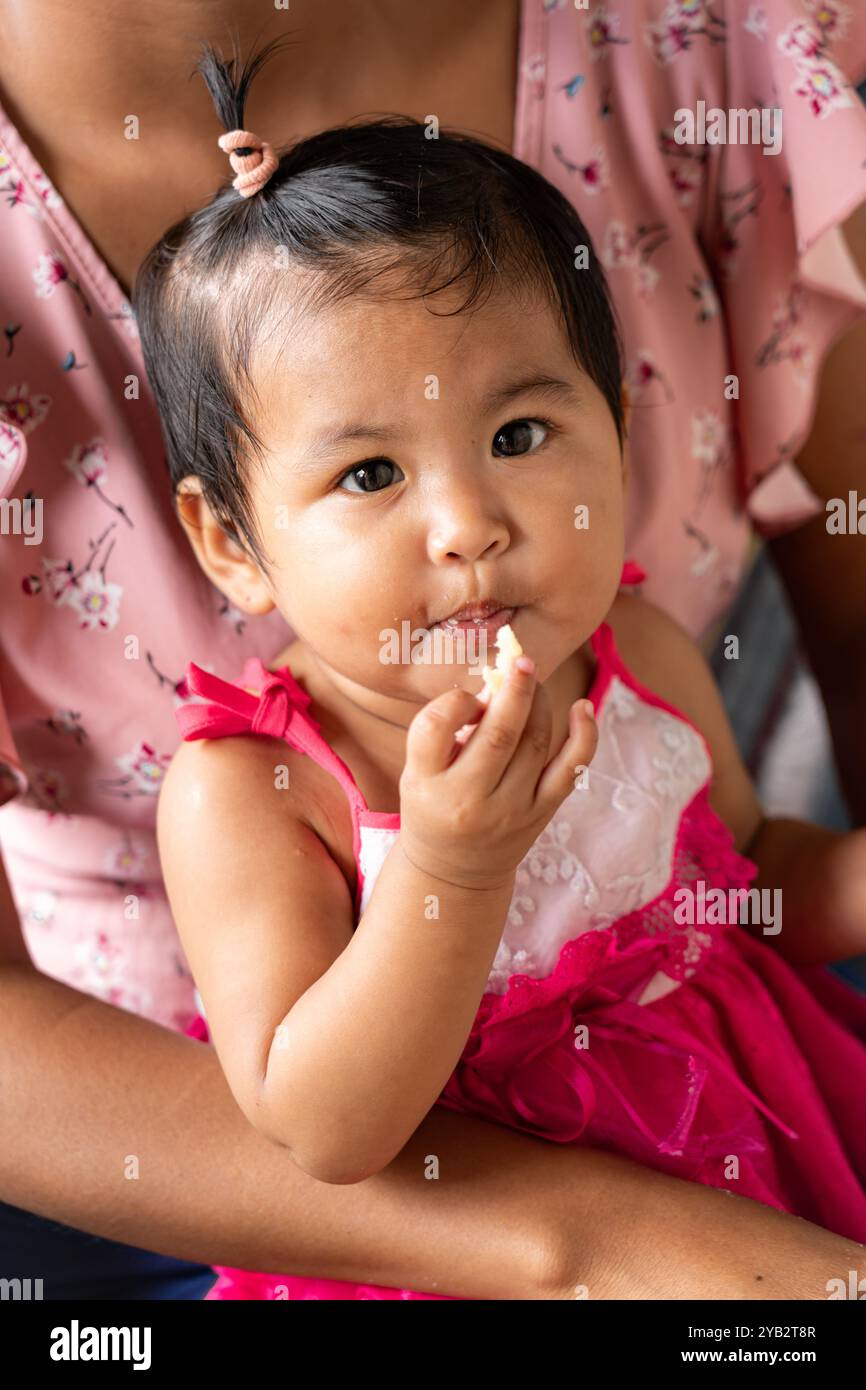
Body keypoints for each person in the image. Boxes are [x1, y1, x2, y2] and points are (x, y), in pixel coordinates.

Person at [1, 0, 864, 1299]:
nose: (468, 525)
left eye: (520, 437)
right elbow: (321, 1123)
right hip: (430, 1235)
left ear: (615, 433)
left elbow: (742, 875)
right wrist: (451, 870)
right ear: (229, 542)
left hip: (758, 1120)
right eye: (367, 472)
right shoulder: (255, 791)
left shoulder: (629, 651)